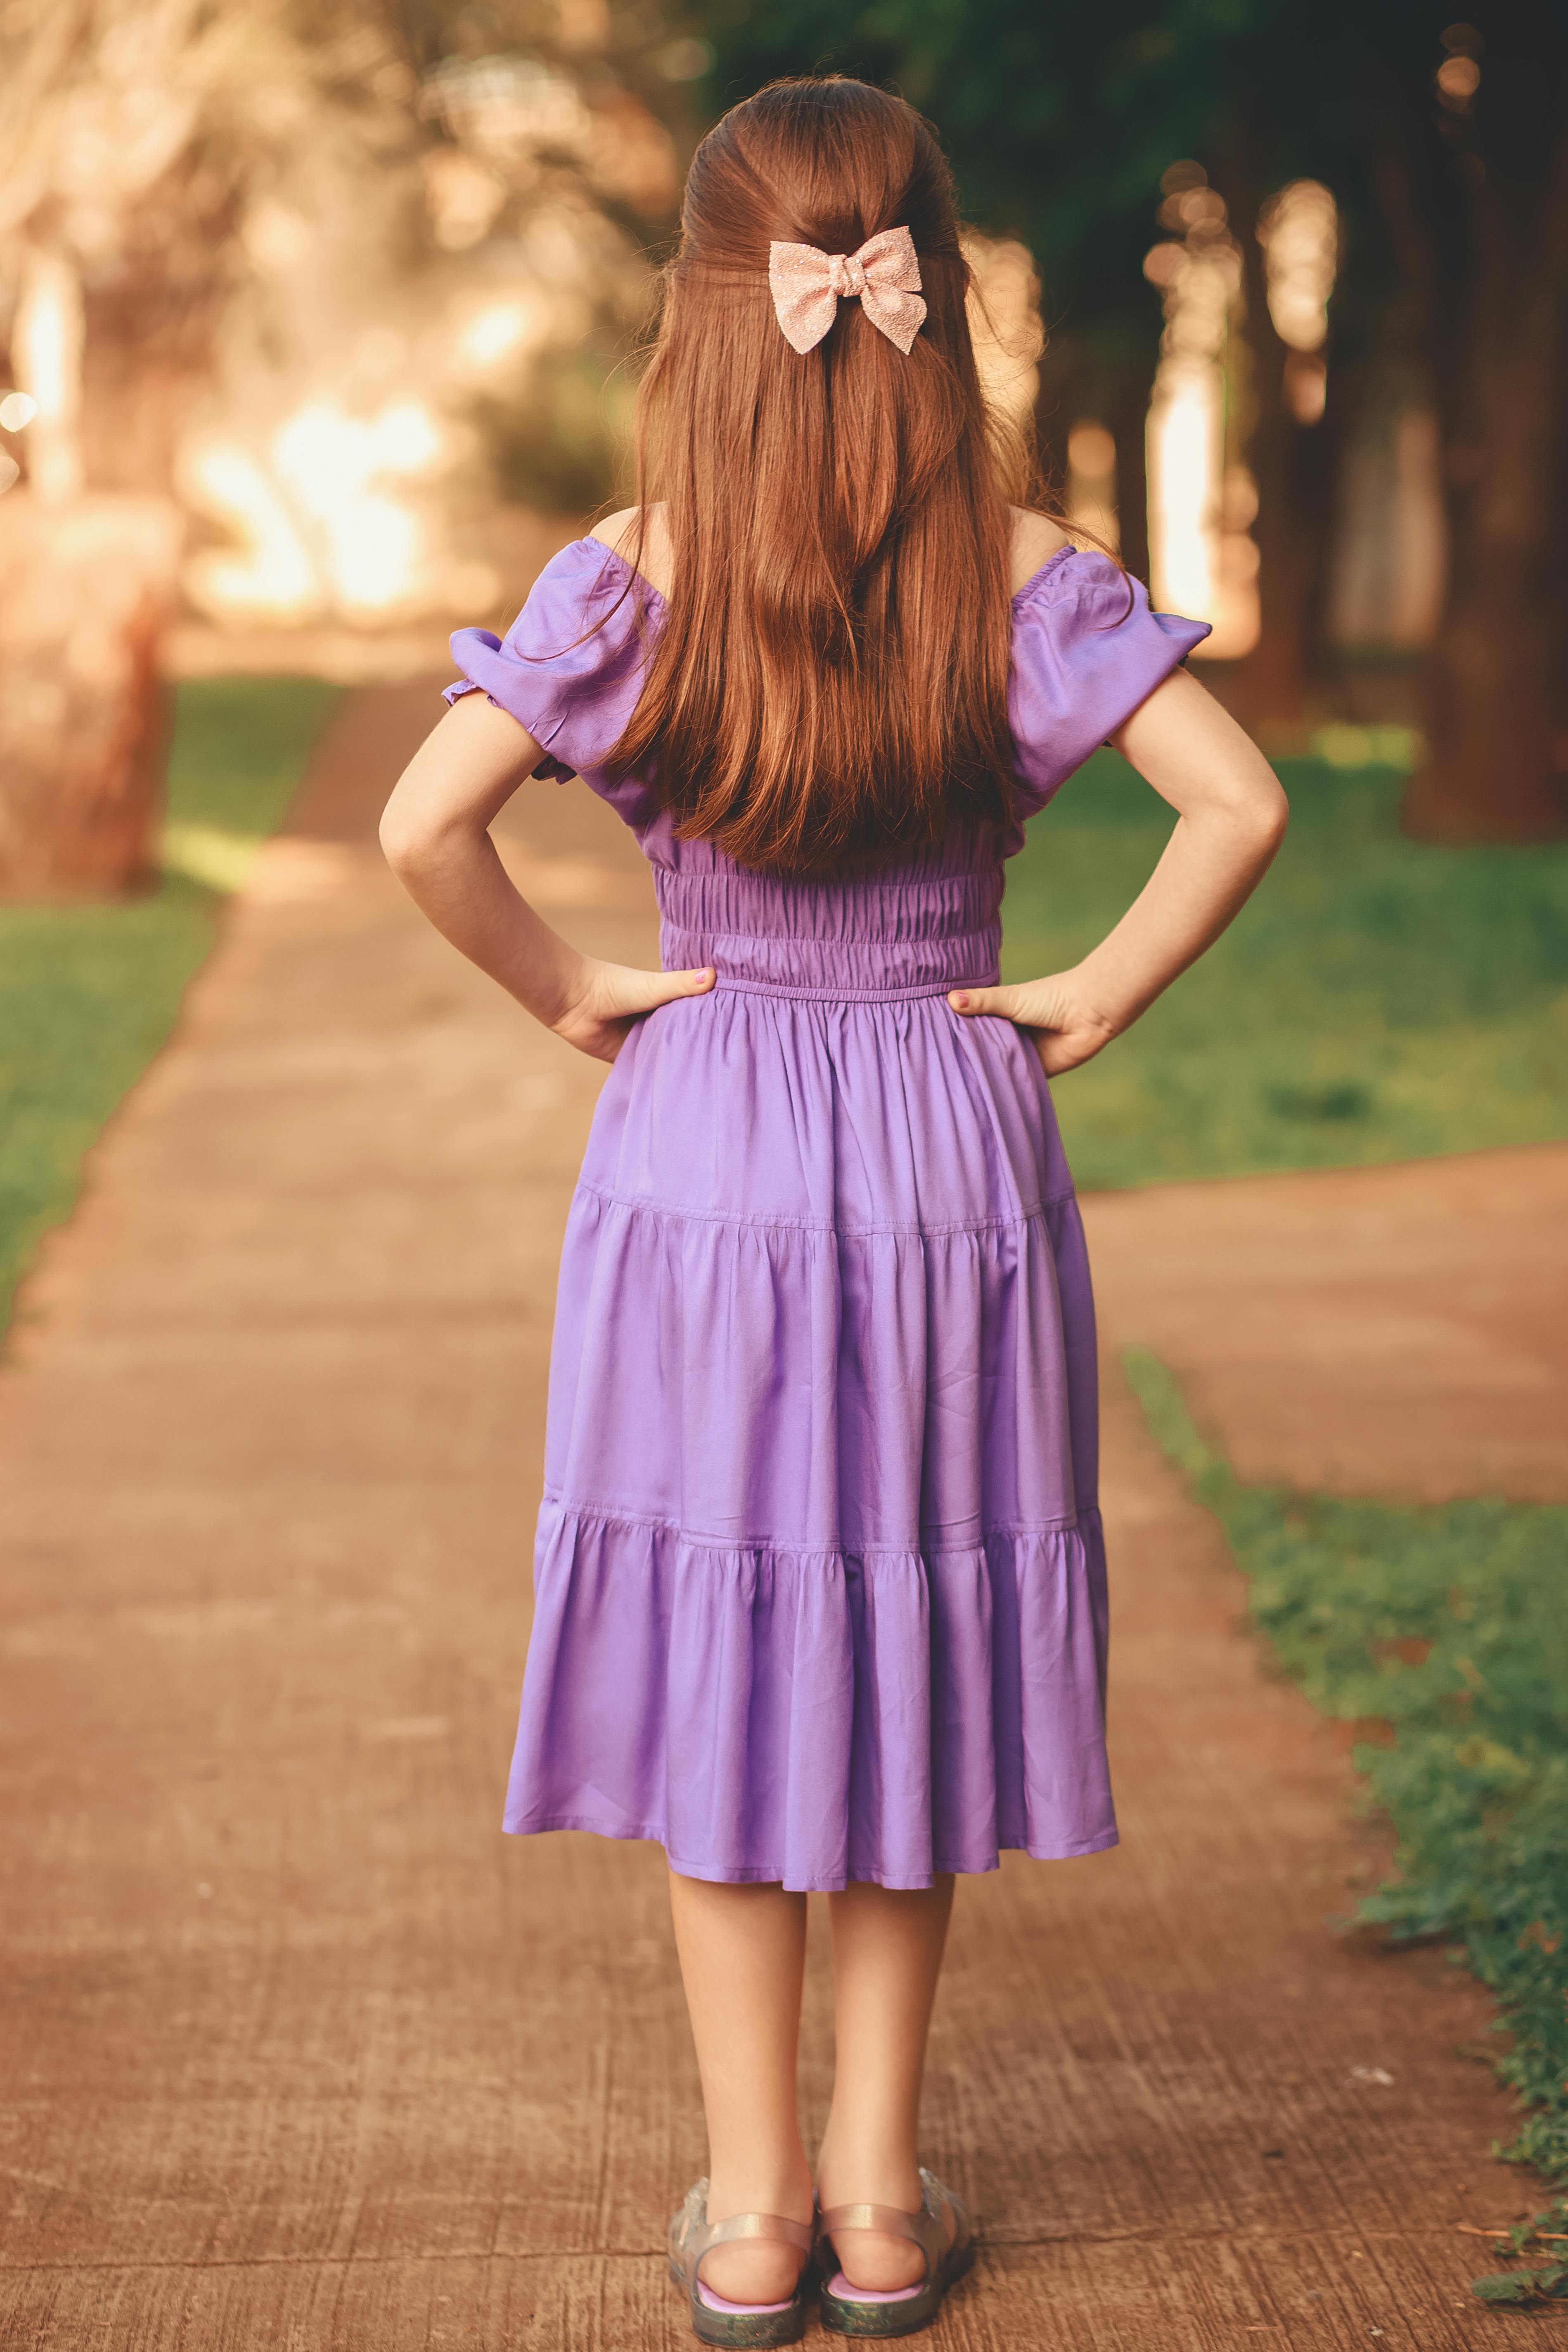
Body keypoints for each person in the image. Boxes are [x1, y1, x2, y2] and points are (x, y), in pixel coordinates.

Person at [380, 74, 1287, 2347]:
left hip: (701, 1135)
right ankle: (883, 2207)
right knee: (903, 1633)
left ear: (706, 305)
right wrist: (1087, 993)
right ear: (930, 288)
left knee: (734, 1644)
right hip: (946, 1133)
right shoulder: (1019, 561)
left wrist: (575, 988)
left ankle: (756, 2217)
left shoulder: (640, 566)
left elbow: (423, 827)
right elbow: (1239, 802)